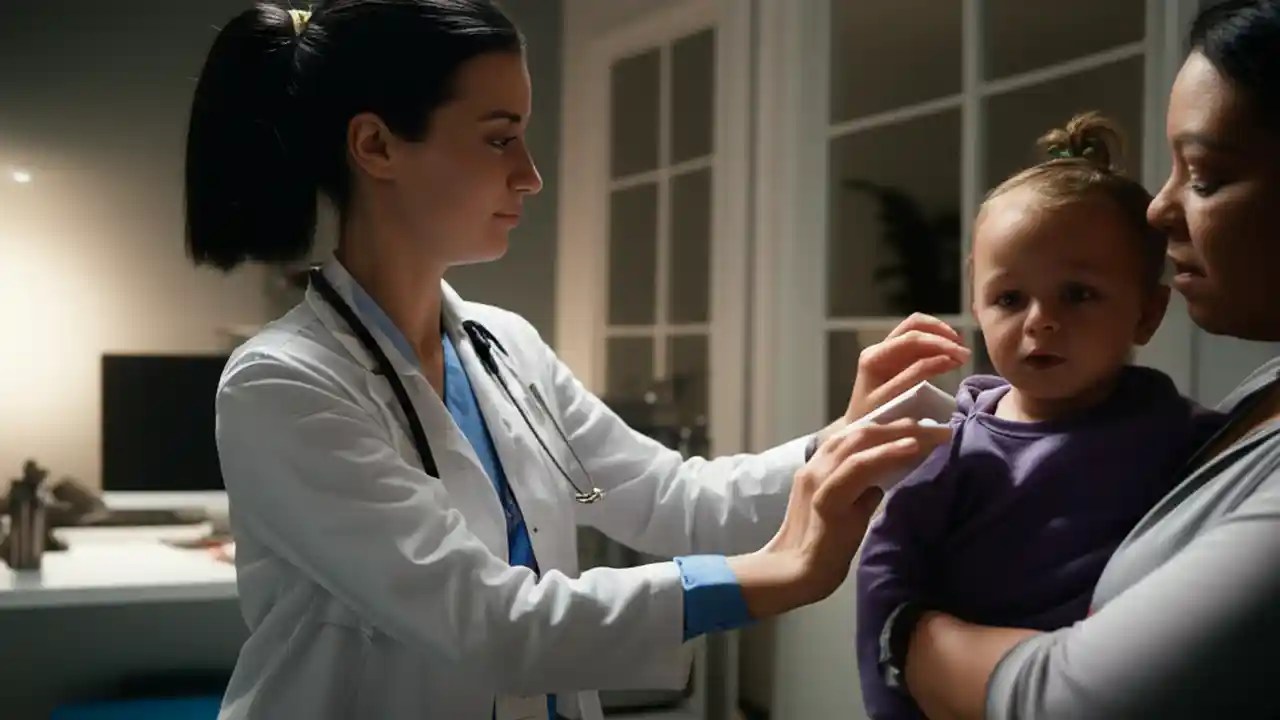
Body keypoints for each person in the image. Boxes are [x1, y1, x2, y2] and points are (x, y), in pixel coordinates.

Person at [183, 2, 964, 719]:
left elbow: (674, 502)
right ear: (376, 145)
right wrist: (775, 575)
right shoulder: (283, 383)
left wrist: (852, 443)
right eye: (498, 137)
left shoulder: (501, 344)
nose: (531, 174)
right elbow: (490, 623)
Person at [882, 2, 1280, 718]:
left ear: (1145, 313)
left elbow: (1059, 700)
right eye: (1007, 297)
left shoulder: (1166, 422)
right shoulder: (1263, 390)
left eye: (1206, 175)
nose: (1159, 210)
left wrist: (905, 636)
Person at [853, 112, 1226, 720]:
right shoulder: (952, 450)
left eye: (1077, 294)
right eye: (1009, 299)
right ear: (976, 304)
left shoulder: (1184, 432)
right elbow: (885, 582)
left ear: (1147, 313)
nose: (1039, 321)